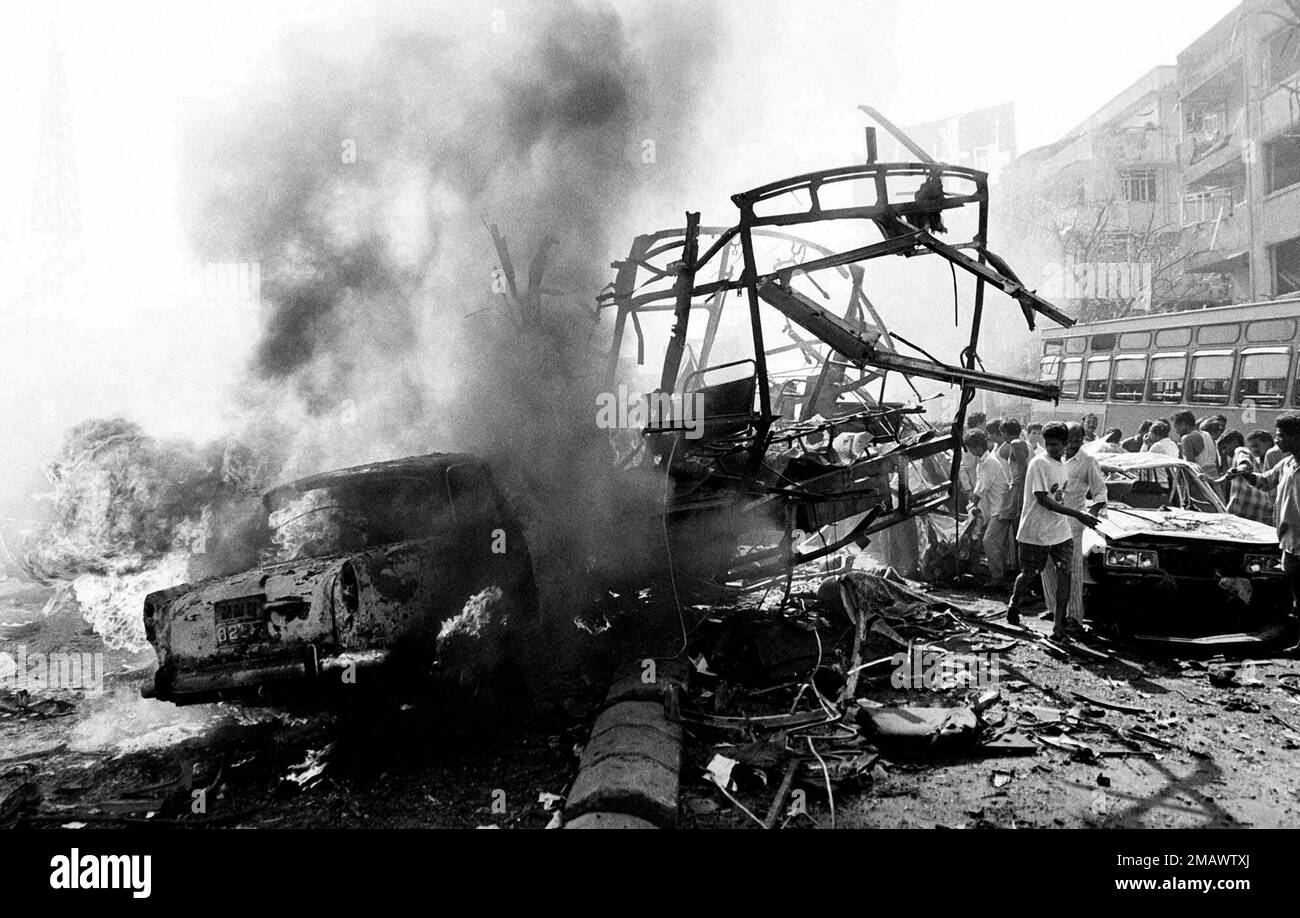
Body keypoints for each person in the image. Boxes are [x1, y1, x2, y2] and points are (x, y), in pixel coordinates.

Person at [1006, 422, 1101, 641]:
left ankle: (1060, 626)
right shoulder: (1039, 463)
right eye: (1048, 444)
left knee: (1065, 575)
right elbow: (1042, 499)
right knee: (1029, 574)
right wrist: (1077, 514)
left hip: (1060, 530)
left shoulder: (1064, 464)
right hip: (1035, 531)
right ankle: (1014, 602)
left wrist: (1081, 513)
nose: (1052, 448)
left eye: (1056, 445)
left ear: (1066, 445)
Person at [1235, 413, 1300, 654]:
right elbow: (1265, 481)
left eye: (1281, 435)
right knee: (1295, 595)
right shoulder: (1286, 464)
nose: (1277, 439)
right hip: (1289, 541)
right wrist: (1245, 475)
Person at [1042, 422, 1108, 630]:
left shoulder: (1087, 461)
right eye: (1069, 441)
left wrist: (1093, 512)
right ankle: (1054, 610)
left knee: (1072, 569)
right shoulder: (1050, 460)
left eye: (1077, 441)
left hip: (1074, 520)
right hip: (1050, 517)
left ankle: (1074, 617)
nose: (1072, 445)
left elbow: (1100, 491)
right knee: (1046, 565)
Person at [966, 429, 1010, 581]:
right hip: (995, 508)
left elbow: (980, 490)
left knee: (989, 541)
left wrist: (972, 507)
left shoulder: (988, 463)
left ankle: (998, 577)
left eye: (971, 449)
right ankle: (1000, 573)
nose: (970, 452)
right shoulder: (983, 462)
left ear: (978, 447)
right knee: (997, 543)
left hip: (1001, 509)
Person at [1215, 431, 1273, 525]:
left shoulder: (1240, 450)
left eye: (1225, 447)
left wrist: (1241, 468)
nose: (1223, 452)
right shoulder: (1256, 460)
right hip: (1258, 511)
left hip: (1247, 510)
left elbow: (1244, 463)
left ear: (1234, 443)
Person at [997, 419, 1030, 574]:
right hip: (1017, 487)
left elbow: (1024, 467)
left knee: (1017, 530)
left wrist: (1016, 486)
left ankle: (1018, 568)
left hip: (1018, 489)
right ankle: (1015, 565)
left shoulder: (1016, 443)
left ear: (1005, 432)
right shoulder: (1019, 442)